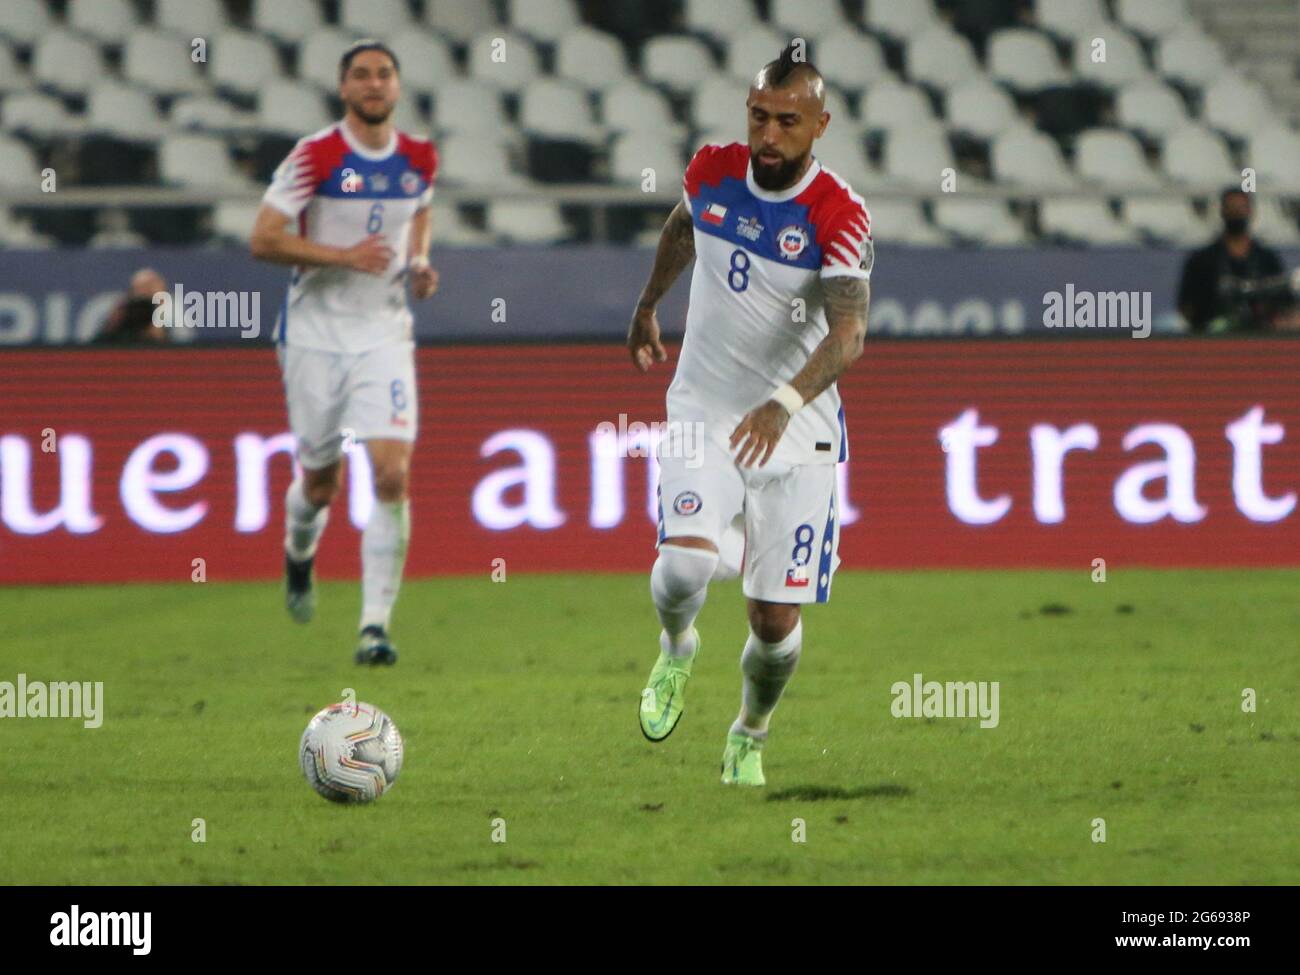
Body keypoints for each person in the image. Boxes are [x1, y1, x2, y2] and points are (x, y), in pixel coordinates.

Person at [626, 44, 872, 786]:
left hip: (797, 430)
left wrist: (785, 399)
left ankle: (749, 731)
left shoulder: (841, 214)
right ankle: (677, 651)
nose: (768, 136)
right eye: (759, 116)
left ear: (819, 124)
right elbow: (680, 228)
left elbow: (849, 332)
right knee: (685, 564)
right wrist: (647, 304)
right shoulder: (712, 170)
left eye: (787, 122)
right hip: (704, 404)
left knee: (773, 622)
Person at [249, 40, 439, 665]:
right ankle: (299, 556)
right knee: (321, 483)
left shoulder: (419, 156)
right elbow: (264, 239)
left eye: (385, 73)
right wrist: (344, 257)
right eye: (361, 75)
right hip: (314, 334)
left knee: (391, 472)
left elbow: (420, 211)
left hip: (383, 332)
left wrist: (418, 260)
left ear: (398, 86)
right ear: (344, 89)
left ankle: (374, 627)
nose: (374, 84)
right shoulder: (316, 156)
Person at [1178, 189, 1284, 333]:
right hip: (1211, 338)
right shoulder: (1202, 260)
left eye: (1241, 208)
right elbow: (1186, 307)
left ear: (1250, 212)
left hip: (1260, 338)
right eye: (1231, 208)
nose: (1236, 213)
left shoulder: (1266, 259)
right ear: (1222, 211)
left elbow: (1283, 302)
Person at [94, 268, 171, 345]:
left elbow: (161, 340)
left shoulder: (169, 327)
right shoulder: (120, 318)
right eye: (143, 288)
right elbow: (98, 346)